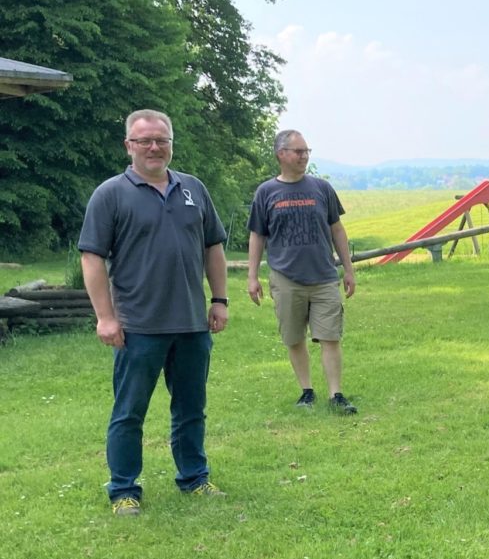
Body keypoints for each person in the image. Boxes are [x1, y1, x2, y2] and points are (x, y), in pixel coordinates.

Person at [78, 109, 229, 517]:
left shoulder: (193, 189)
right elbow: (92, 258)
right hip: (138, 327)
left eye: (161, 140)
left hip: (192, 324)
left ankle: (194, 478)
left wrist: (219, 299)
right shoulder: (110, 194)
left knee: (191, 408)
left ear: (171, 144)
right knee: (129, 412)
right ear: (128, 145)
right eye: (144, 140)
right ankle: (124, 489)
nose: (154, 147)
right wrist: (105, 317)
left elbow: (213, 246)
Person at [247, 130, 357, 415]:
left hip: (324, 276)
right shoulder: (266, 192)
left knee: (330, 336)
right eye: (298, 151)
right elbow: (257, 235)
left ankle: (336, 395)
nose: (304, 156)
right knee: (294, 337)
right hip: (285, 278)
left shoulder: (322, 188)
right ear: (281, 154)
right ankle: (307, 391)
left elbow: (337, 229)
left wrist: (348, 269)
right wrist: (252, 276)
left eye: (307, 151)